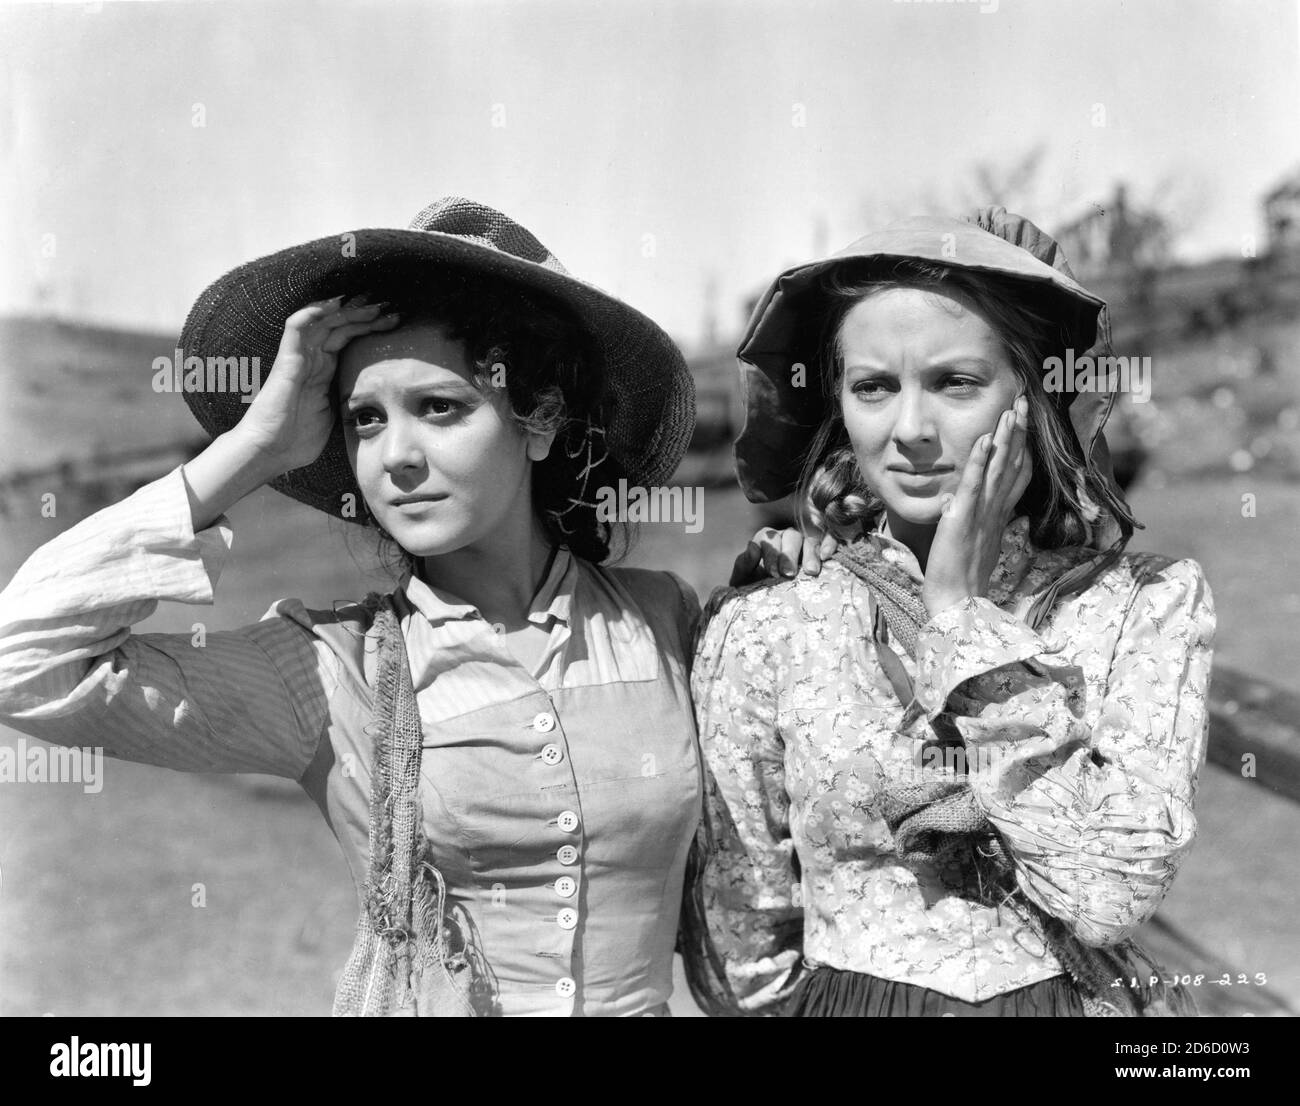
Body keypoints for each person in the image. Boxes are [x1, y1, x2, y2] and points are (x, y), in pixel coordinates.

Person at [0, 197, 812, 1017]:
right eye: (364, 420)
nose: (396, 458)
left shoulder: (665, 620)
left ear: (540, 422)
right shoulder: (325, 670)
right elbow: (23, 662)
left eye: (439, 408)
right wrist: (255, 448)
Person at [683, 207, 1216, 1017]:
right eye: (873, 388)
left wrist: (961, 615)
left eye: (955, 383)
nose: (910, 431)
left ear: (1035, 397)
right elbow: (742, 933)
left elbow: (1108, 893)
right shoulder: (769, 629)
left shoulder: (1145, 603)